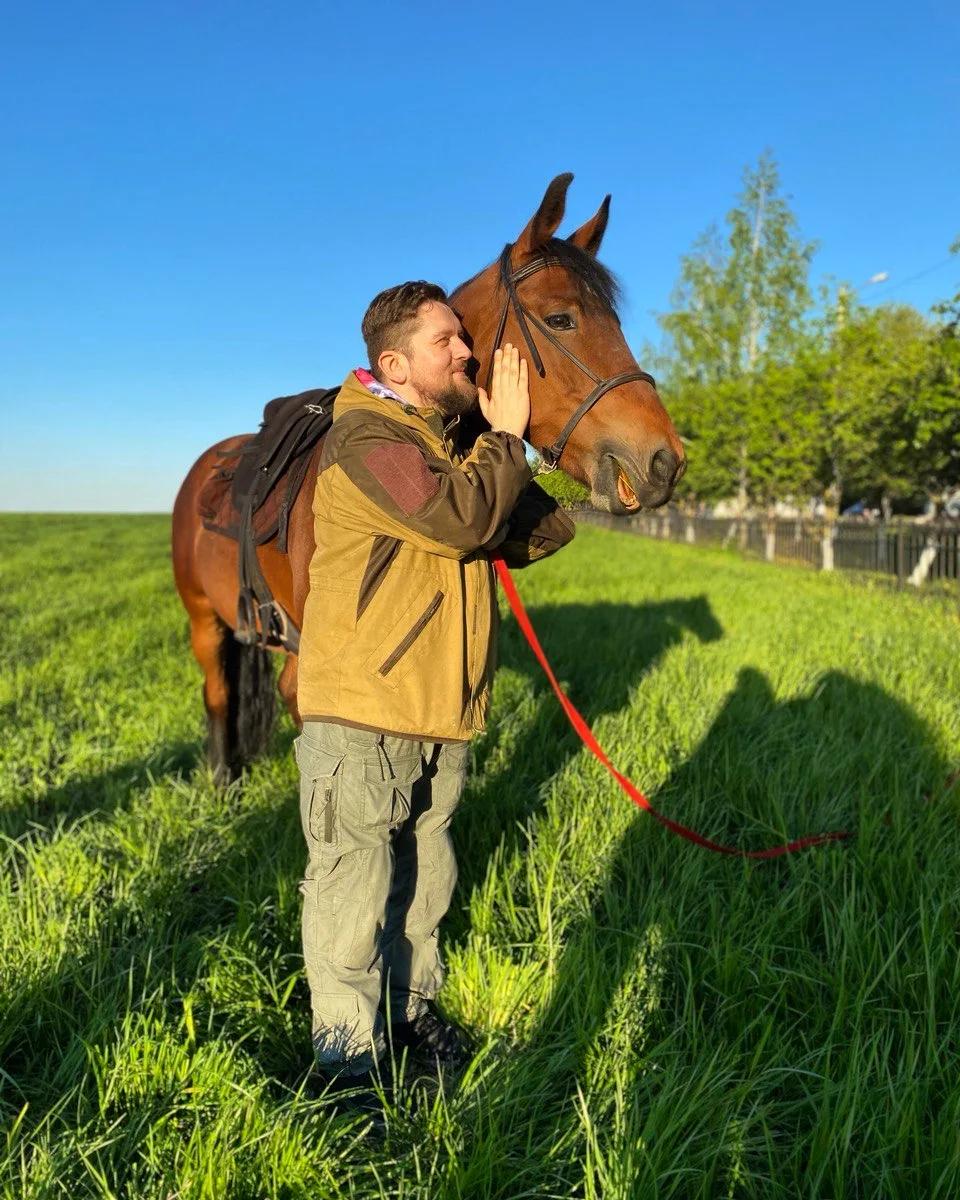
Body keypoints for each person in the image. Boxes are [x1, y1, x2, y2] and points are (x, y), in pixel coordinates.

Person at [294, 280, 575, 1091]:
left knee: (424, 883)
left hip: (438, 709)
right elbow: (462, 522)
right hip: (365, 712)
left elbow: (541, 532)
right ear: (395, 365)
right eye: (446, 341)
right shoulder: (365, 437)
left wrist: (538, 452)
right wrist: (504, 438)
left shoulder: (445, 446)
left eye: (464, 337)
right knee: (353, 892)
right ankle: (347, 1065)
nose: (467, 351)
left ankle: (411, 1013)